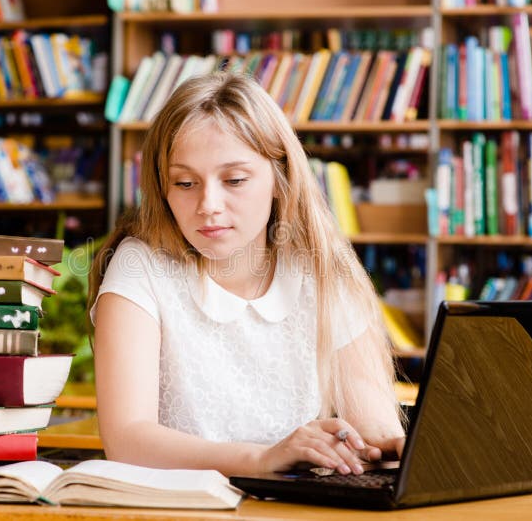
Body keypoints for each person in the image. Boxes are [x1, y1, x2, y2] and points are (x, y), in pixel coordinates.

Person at [88, 71, 405, 477]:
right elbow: (127, 440)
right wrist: (261, 459)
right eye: (185, 183)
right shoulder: (140, 266)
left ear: (280, 177)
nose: (208, 204)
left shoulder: (322, 270)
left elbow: (373, 427)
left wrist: (389, 446)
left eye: (234, 180)